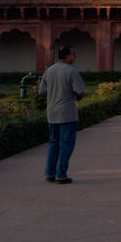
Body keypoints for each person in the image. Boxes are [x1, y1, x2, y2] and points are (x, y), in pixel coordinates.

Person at [39, 46, 87, 183]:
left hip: (52, 113)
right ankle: (61, 175)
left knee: (53, 143)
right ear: (67, 56)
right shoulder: (71, 71)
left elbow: (42, 92)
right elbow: (80, 91)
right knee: (66, 144)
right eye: (73, 54)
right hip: (67, 113)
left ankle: (50, 173)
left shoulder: (49, 71)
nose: (74, 57)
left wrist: (54, 95)